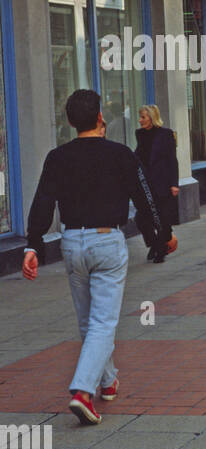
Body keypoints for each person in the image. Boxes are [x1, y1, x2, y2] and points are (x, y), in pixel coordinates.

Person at [23, 88, 172, 425]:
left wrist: (32, 245)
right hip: (107, 242)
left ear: (70, 122)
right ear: (100, 117)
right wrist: (161, 237)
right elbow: (146, 200)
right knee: (103, 322)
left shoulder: (57, 157)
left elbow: (43, 201)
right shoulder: (120, 155)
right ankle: (81, 391)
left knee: (88, 321)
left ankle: (107, 381)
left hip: (72, 242)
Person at [134, 104, 179, 262]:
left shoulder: (165, 134)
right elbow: (138, 155)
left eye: (143, 117)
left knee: (163, 218)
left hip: (163, 182)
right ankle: (154, 244)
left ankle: (160, 252)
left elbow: (172, 160)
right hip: (145, 184)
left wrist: (174, 183)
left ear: (152, 118)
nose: (140, 120)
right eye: (140, 117)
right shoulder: (139, 134)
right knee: (141, 218)